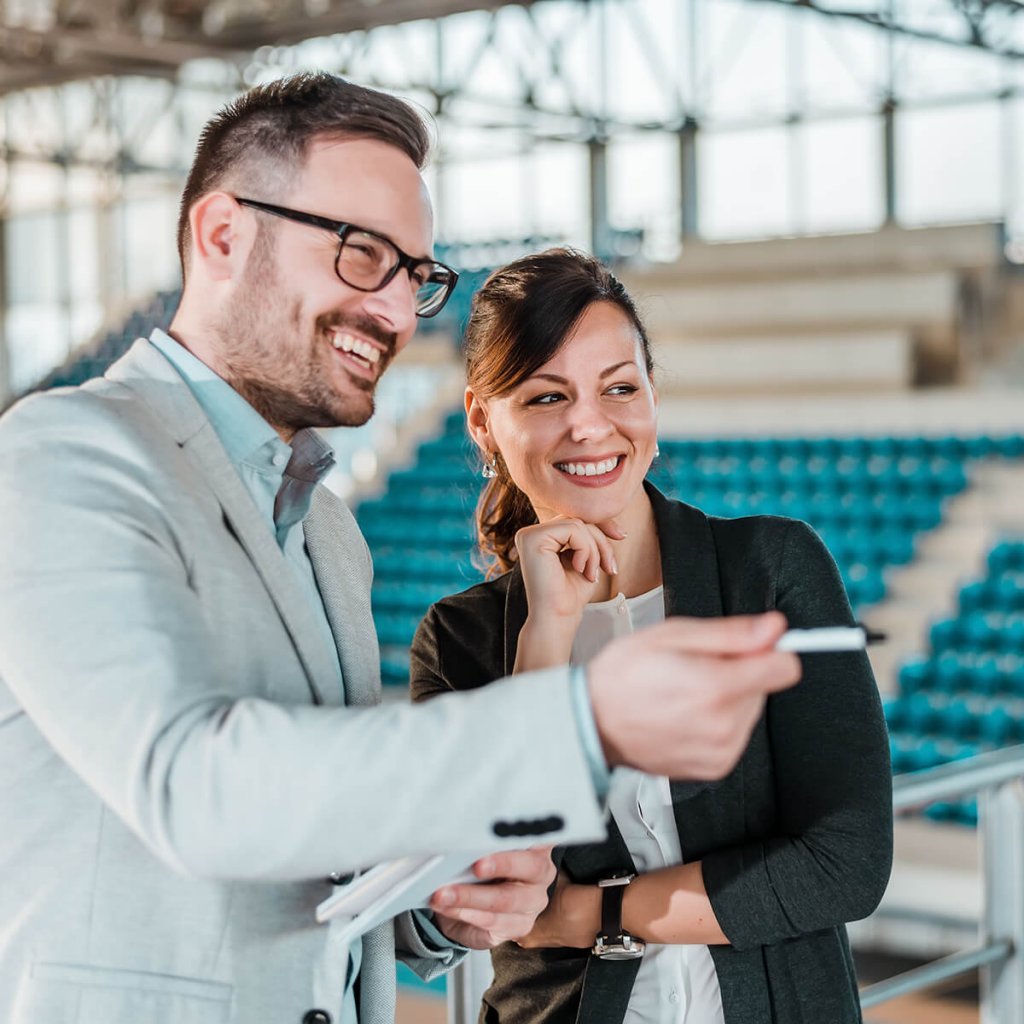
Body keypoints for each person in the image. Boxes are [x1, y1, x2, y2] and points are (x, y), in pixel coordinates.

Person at [0, 76, 801, 1024]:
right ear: (222, 235)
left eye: (415, 276)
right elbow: (192, 786)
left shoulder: (330, 530)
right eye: (361, 255)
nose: (392, 310)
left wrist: (438, 904)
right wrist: (577, 724)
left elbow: (314, 850)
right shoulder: (60, 454)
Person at [410, 249, 894, 1024]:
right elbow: (498, 891)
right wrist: (548, 634)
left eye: (619, 388)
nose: (590, 425)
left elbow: (845, 865)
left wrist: (589, 914)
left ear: (652, 401)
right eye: (545, 396)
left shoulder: (770, 570)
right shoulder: (460, 639)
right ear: (481, 421)